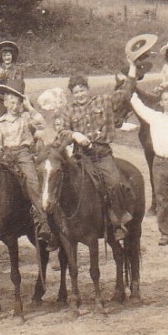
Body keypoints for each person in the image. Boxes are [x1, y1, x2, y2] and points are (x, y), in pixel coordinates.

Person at [58, 74, 134, 232]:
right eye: (76, 92)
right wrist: (74, 135)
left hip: (101, 154)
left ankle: (118, 219)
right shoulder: (68, 110)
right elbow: (61, 131)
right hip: (81, 156)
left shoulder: (103, 101)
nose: (80, 95)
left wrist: (132, 71)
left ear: (88, 89)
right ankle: (67, 223)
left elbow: (123, 96)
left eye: (82, 90)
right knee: (64, 183)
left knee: (113, 182)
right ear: (72, 94)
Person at [0, 79, 54, 245]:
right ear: (5, 103)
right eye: (10, 102)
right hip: (6, 156)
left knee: (32, 179)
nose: (14, 106)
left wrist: (30, 108)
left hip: (24, 154)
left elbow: (41, 123)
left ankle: (42, 220)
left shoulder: (26, 118)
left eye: (17, 102)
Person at [128, 85, 168, 245]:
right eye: (165, 100)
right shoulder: (155, 117)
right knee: (162, 201)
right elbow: (137, 104)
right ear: (160, 103)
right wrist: (131, 84)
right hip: (160, 163)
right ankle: (165, 234)